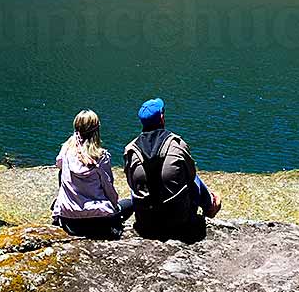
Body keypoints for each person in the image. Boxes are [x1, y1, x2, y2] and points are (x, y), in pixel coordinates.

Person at [122, 97, 220, 242]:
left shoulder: (131, 151)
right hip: (178, 220)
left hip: (146, 221)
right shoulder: (177, 145)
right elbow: (191, 176)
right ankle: (210, 205)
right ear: (162, 118)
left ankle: (208, 203)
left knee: (137, 187)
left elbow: (131, 183)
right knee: (193, 179)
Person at [51, 109, 133, 238]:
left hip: (69, 220)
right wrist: (114, 207)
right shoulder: (101, 157)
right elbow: (108, 188)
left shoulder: (66, 150)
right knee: (130, 203)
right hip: (97, 221)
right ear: (96, 130)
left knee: (62, 172)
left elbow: (59, 164)